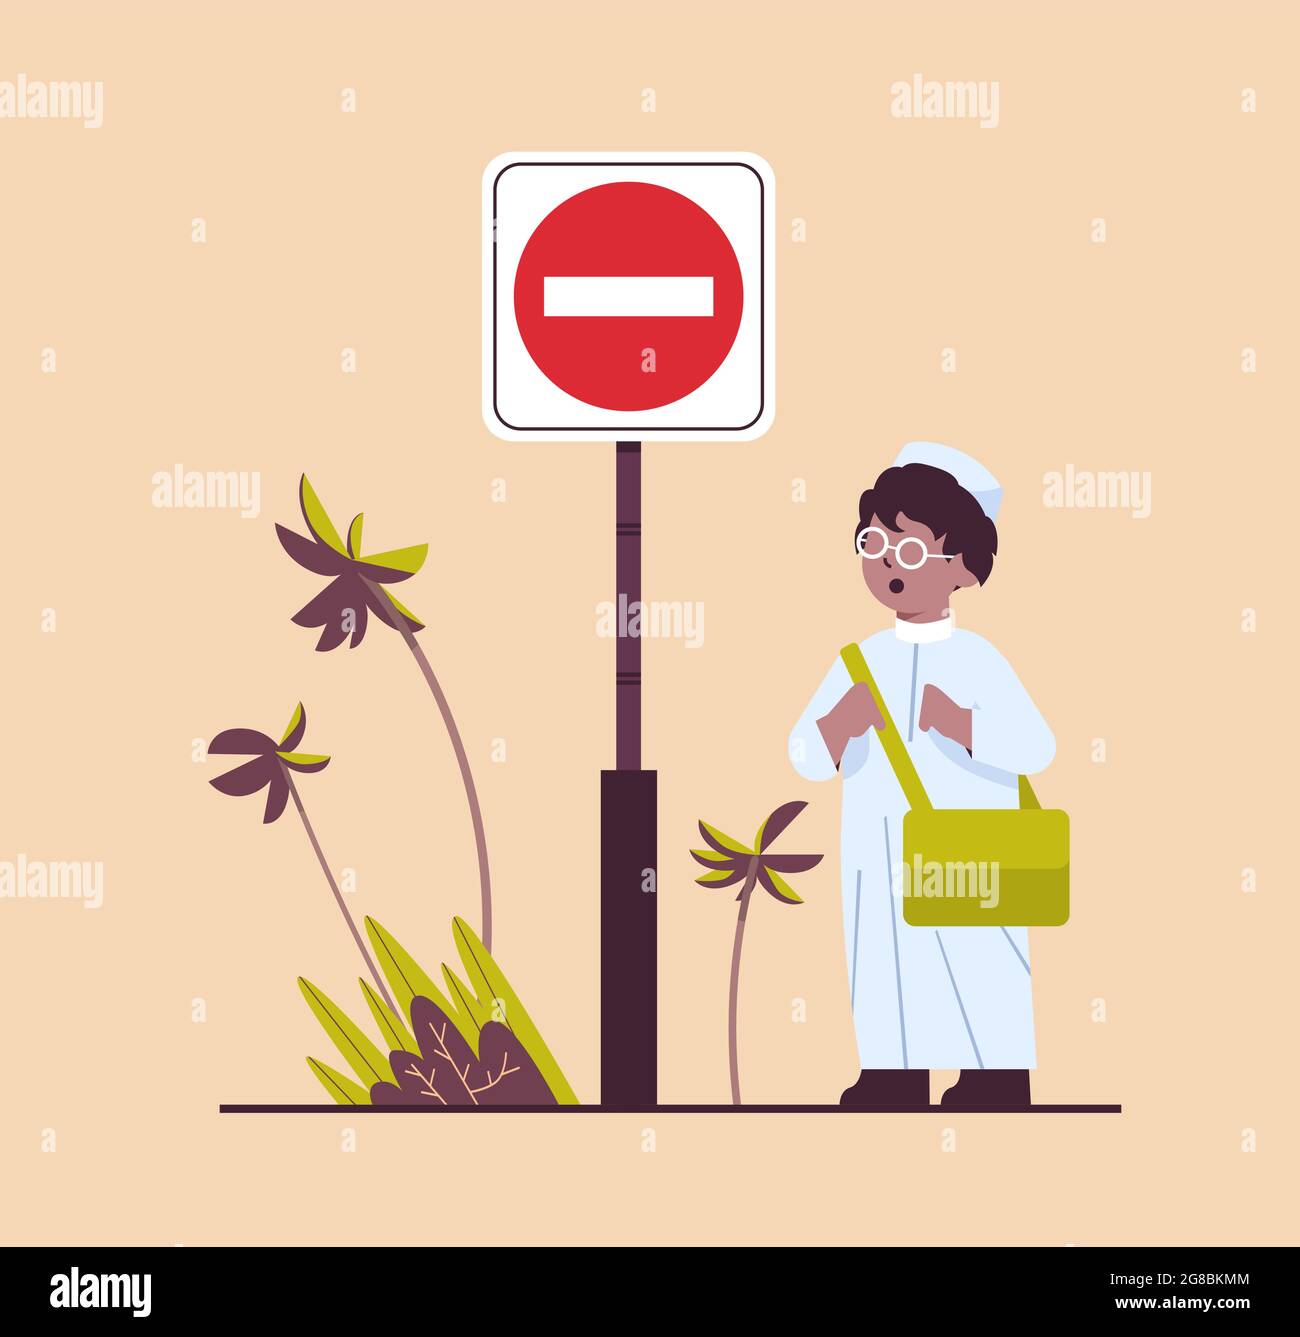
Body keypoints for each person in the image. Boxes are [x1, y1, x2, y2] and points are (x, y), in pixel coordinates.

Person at [788, 442, 1055, 1111]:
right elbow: (804, 755)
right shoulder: (856, 661)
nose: (885, 563)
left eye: (908, 550)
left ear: (962, 566)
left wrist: (964, 725)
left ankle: (995, 1077)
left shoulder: (980, 660)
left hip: (969, 846)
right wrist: (838, 724)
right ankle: (892, 1073)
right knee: (885, 962)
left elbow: (1037, 746)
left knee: (980, 960)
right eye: (874, 542)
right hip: (877, 857)